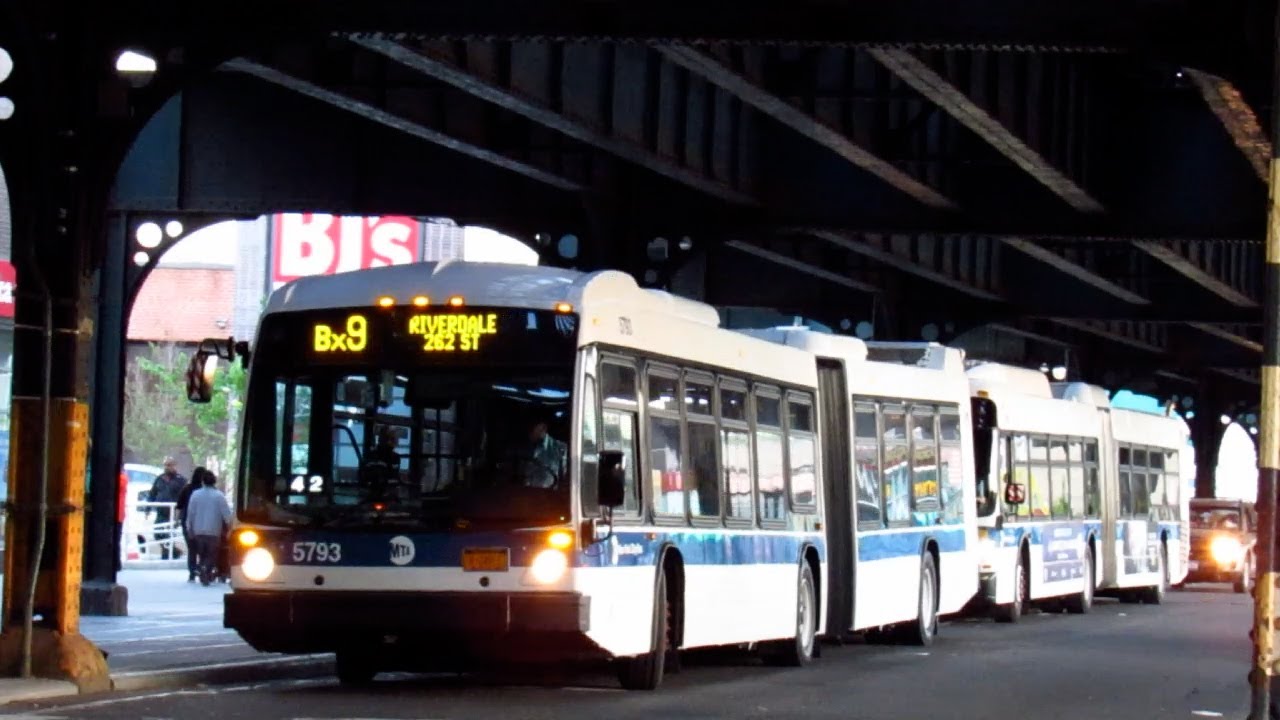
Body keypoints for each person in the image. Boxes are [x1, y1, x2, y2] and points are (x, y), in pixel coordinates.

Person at [185, 470, 232, 586]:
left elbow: (190, 513)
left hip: (198, 530)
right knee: (212, 554)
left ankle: (203, 569)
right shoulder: (219, 496)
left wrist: (189, 527)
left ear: (203, 481)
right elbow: (227, 515)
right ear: (214, 481)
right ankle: (206, 570)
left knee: (202, 554)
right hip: (213, 531)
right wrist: (230, 528)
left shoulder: (195, 494)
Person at [147, 457, 187, 560]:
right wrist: (147, 509)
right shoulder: (159, 479)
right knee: (157, 533)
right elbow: (152, 494)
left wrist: (181, 513)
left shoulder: (180, 480)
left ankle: (167, 554)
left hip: (173, 513)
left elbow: (185, 496)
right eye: (165, 465)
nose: (167, 467)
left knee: (168, 534)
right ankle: (174, 552)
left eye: (169, 465)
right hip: (161, 512)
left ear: (174, 466)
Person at [176, 467, 206, 583]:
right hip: (201, 522)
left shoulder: (187, 489)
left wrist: (176, 520)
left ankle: (192, 572)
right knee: (202, 548)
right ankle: (202, 568)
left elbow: (179, 505)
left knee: (191, 548)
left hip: (186, 521)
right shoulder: (203, 490)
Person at [521, 417, 567, 488]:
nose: (529, 433)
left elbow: (565, 478)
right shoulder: (522, 447)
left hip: (550, 495)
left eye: (532, 429)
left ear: (543, 427)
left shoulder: (561, 448)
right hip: (525, 494)